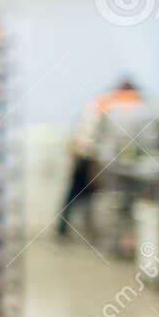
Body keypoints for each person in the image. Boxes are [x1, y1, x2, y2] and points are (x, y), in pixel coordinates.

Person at [57, 77, 143, 238]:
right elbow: (94, 135)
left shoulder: (105, 102)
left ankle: (74, 229)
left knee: (83, 194)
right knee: (78, 192)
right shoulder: (111, 106)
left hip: (87, 154)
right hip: (87, 156)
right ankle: (65, 229)